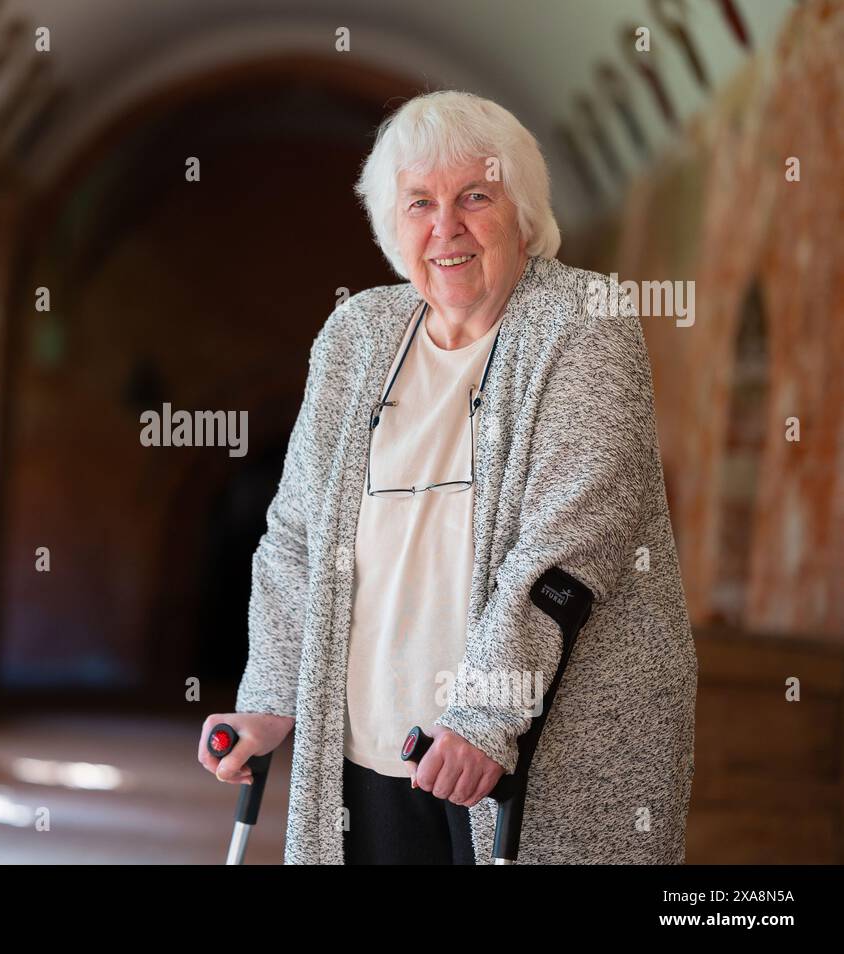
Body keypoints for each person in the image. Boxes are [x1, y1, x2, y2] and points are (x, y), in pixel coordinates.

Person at [198, 90, 697, 864]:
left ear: (524, 211)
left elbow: (567, 551)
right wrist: (268, 698)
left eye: (475, 197)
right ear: (392, 226)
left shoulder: (584, 322)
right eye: (420, 203)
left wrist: (484, 716)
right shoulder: (357, 335)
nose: (446, 227)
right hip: (368, 754)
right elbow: (295, 535)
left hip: (533, 759)